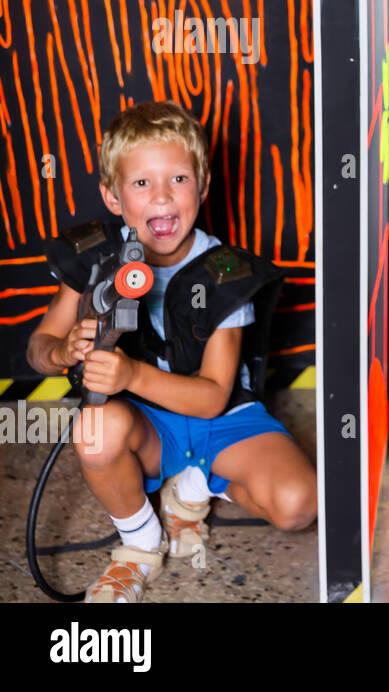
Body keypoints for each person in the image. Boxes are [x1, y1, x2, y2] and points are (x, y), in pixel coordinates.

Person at [26, 101, 316, 602]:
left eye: (179, 179)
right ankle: (141, 544)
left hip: (222, 420)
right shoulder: (99, 257)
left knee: (298, 504)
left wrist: (129, 375)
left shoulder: (224, 273)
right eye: (141, 184)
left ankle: (194, 490)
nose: (162, 196)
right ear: (112, 197)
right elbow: (37, 346)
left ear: (202, 188)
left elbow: (210, 400)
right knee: (94, 430)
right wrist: (62, 352)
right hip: (148, 423)